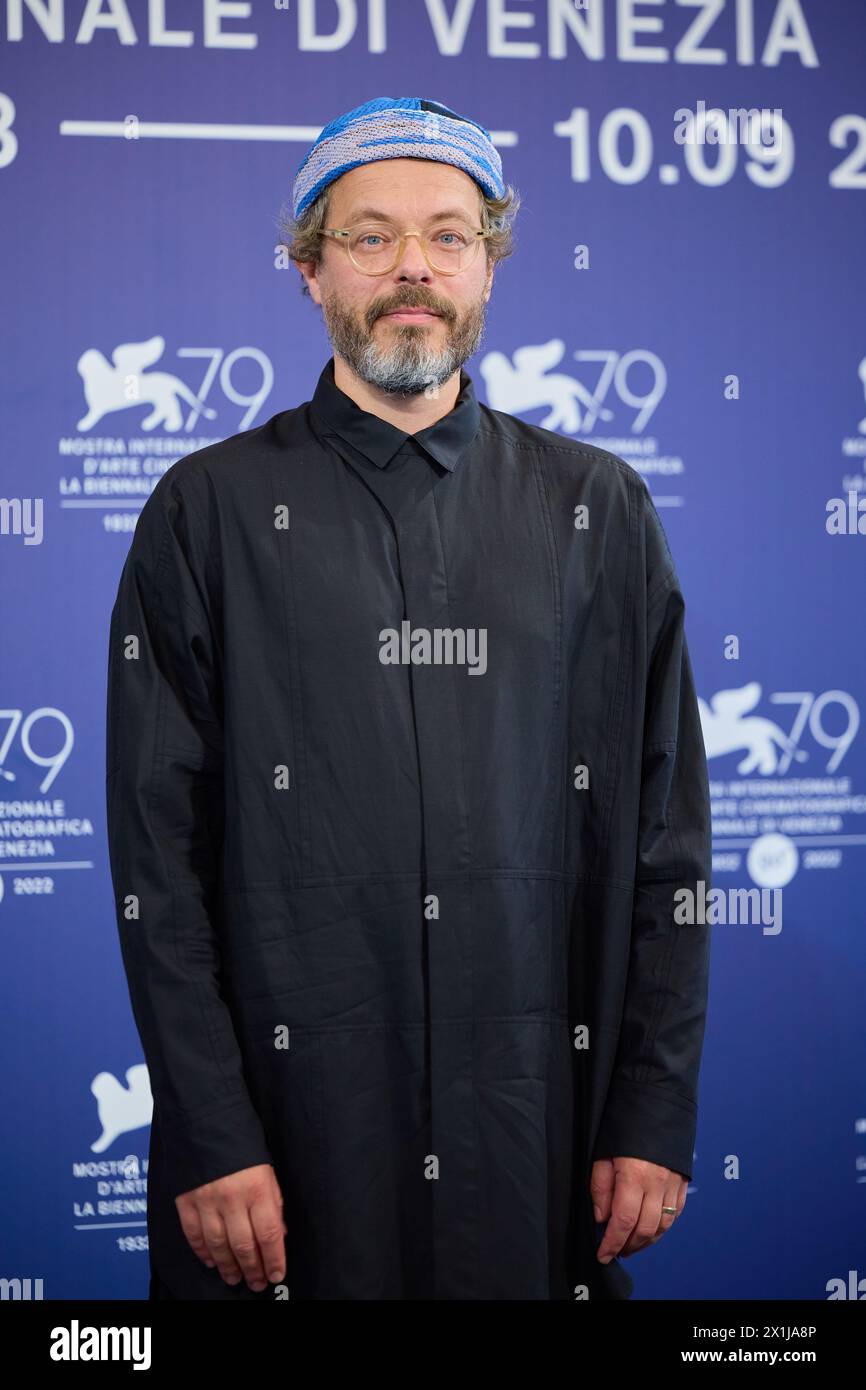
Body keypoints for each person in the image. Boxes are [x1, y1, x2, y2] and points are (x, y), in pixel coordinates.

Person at [105, 96, 712, 1302]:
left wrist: (650, 1109)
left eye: (447, 235)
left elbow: (665, 842)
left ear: (489, 264)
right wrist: (216, 1131)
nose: (412, 271)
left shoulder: (597, 511)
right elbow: (157, 861)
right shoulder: (204, 511)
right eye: (369, 237)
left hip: (535, 1146)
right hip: (283, 1155)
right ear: (309, 268)